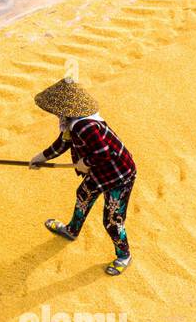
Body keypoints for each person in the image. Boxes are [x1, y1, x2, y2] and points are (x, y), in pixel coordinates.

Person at [29, 78, 137, 276]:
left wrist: (84, 164)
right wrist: (41, 158)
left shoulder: (83, 126)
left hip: (119, 175)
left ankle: (124, 256)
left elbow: (102, 153)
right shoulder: (73, 123)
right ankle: (71, 230)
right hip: (99, 172)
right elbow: (63, 143)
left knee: (112, 220)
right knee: (83, 195)